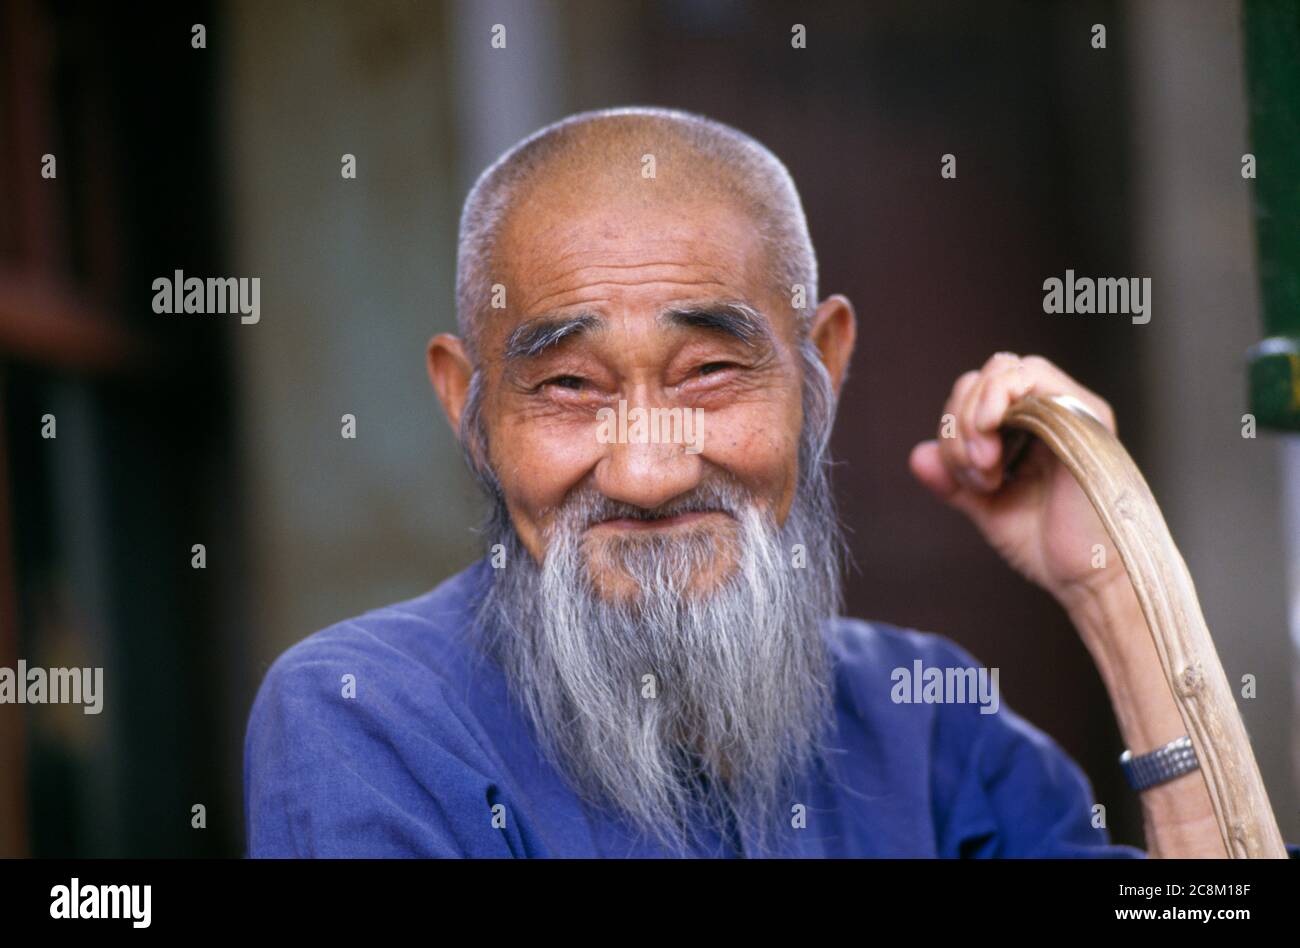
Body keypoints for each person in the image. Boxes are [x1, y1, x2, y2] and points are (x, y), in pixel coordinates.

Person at [243, 106, 1281, 858]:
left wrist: (1116, 587)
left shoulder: (928, 725)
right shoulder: (368, 714)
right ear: (466, 406)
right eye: (566, 385)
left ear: (819, 368)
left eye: (710, 371)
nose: (647, 468)